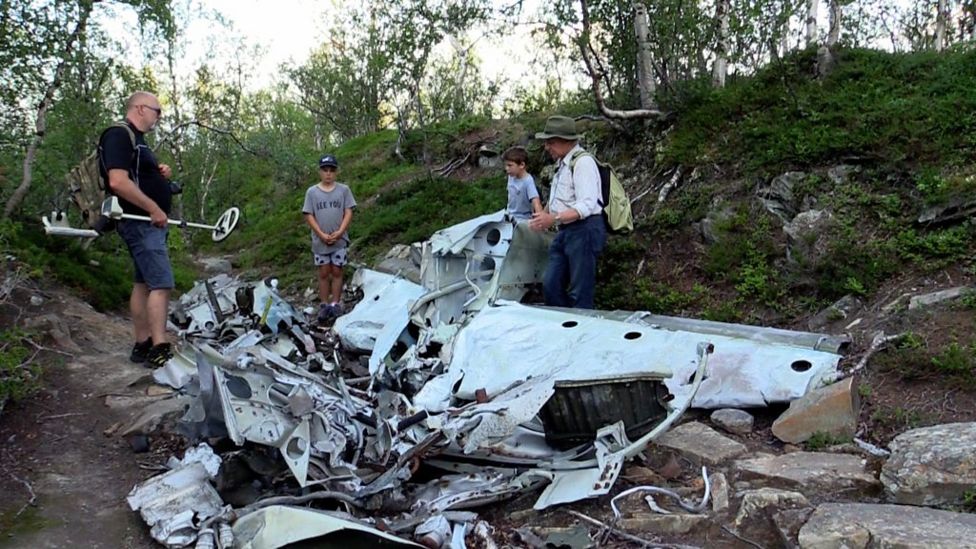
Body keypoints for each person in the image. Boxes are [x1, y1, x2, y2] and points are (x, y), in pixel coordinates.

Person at [101, 91, 175, 366]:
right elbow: (117, 181)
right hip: (141, 222)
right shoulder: (119, 134)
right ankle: (159, 347)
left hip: (145, 223)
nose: (159, 117)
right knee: (162, 283)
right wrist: (153, 209)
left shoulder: (138, 140)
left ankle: (142, 343)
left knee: (143, 283)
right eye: (158, 111)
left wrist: (159, 172)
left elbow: (136, 175)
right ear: (141, 108)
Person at [528, 115, 606, 309]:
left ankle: (581, 330)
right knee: (551, 284)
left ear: (567, 141)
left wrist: (551, 218)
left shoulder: (583, 163)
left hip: (584, 230)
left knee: (581, 289)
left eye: (551, 142)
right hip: (564, 230)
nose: (547, 147)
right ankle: (564, 323)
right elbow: (558, 199)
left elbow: (586, 206)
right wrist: (542, 216)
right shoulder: (562, 165)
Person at [302, 154, 357, 322]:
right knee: (324, 272)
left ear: (336, 172)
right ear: (320, 171)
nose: (328, 174)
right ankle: (324, 305)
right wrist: (321, 234)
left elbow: (348, 210)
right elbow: (309, 214)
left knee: (337, 270)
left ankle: (336, 304)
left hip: (339, 240)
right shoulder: (312, 192)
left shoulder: (343, 190)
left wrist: (340, 231)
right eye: (325, 170)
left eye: (331, 170)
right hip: (320, 241)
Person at [502, 146, 542, 221]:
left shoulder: (528, 181)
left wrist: (540, 220)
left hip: (523, 218)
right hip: (509, 214)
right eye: (506, 165)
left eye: (510, 165)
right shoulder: (511, 177)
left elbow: (536, 201)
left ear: (521, 165)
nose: (506, 168)